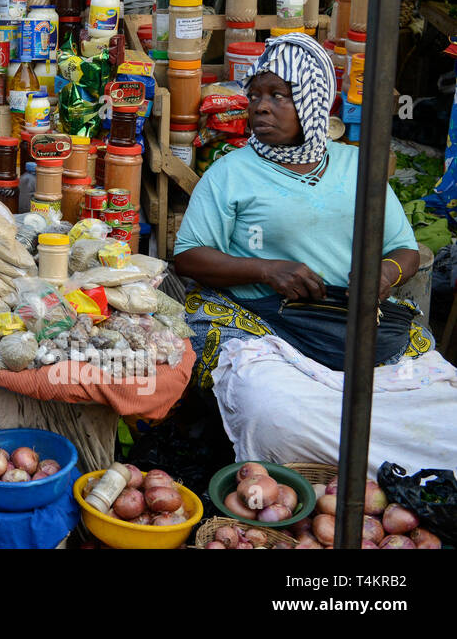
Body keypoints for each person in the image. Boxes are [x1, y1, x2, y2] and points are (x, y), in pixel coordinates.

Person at [173, 33, 455, 467]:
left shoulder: (356, 166)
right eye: (255, 95)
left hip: (351, 321)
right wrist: (266, 270)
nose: (260, 107)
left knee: (443, 407)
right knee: (277, 413)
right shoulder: (232, 172)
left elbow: (403, 249)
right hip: (264, 325)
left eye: (278, 96)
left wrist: (384, 275)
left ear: (313, 101)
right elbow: (188, 255)